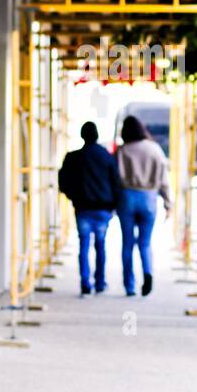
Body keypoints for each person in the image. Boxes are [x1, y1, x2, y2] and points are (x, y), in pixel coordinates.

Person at [58, 121, 120, 296]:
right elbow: (116, 182)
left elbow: (63, 181)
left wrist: (72, 196)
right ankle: (100, 282)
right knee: (100, 245)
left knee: (84, 245)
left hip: (82, 207)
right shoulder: (107, 157)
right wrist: (114, 205)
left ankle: (85, 283)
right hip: (102, 208)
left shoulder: (73, 157)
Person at [115, 115, 171, 296]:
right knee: (145, 242)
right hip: (149, 197)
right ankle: (148, 272)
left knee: (127, 243)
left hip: (127, 196)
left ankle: (129, 285)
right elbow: (164, 179)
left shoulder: (123, 151)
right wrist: (168, 203)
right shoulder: (155, 149)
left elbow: (115, 177)